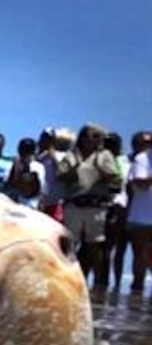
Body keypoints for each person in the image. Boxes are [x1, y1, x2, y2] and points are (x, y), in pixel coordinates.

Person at [57, 124, 123, 290]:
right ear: (83, 137)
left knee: (94, 245)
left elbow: (115, 178)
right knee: (70, 243)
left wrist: (102, 171)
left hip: (96, 206)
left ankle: (97, 283)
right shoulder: (73, 154)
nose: (96, 140)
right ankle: (66, 278)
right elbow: (61, 175)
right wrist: (74, 168)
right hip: (74, 204)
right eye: (94, 136)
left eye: (98, 137)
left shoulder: (104, 155)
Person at [99, 131, 130, 291]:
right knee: (104, 248)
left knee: (120, 248)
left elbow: (123, 185)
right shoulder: (100, 160)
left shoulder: (124, 162)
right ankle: (102, 281)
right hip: (104, 206)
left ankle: (116, 283)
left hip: (121, 207)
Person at [124, 131, 152, 295]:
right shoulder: (141, 159)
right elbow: (140, 184)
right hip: (141, 218)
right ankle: (136, 293)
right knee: (140, 256)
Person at [35, 127, 73, 221]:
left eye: (49, 139)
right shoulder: (36, 158)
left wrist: (53, 157)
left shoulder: (61, 156)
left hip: (54, 204)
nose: (45, 142)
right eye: (44, 138)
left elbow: (63, 173)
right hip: (37, 203)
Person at [2, 137, 43, 208]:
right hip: (12, 203)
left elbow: (39, 188)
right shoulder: (11, 164)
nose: (25, 152)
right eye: (23, 149)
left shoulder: (38, 167)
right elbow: (7, 183)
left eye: (28, 149)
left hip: (31, 204)